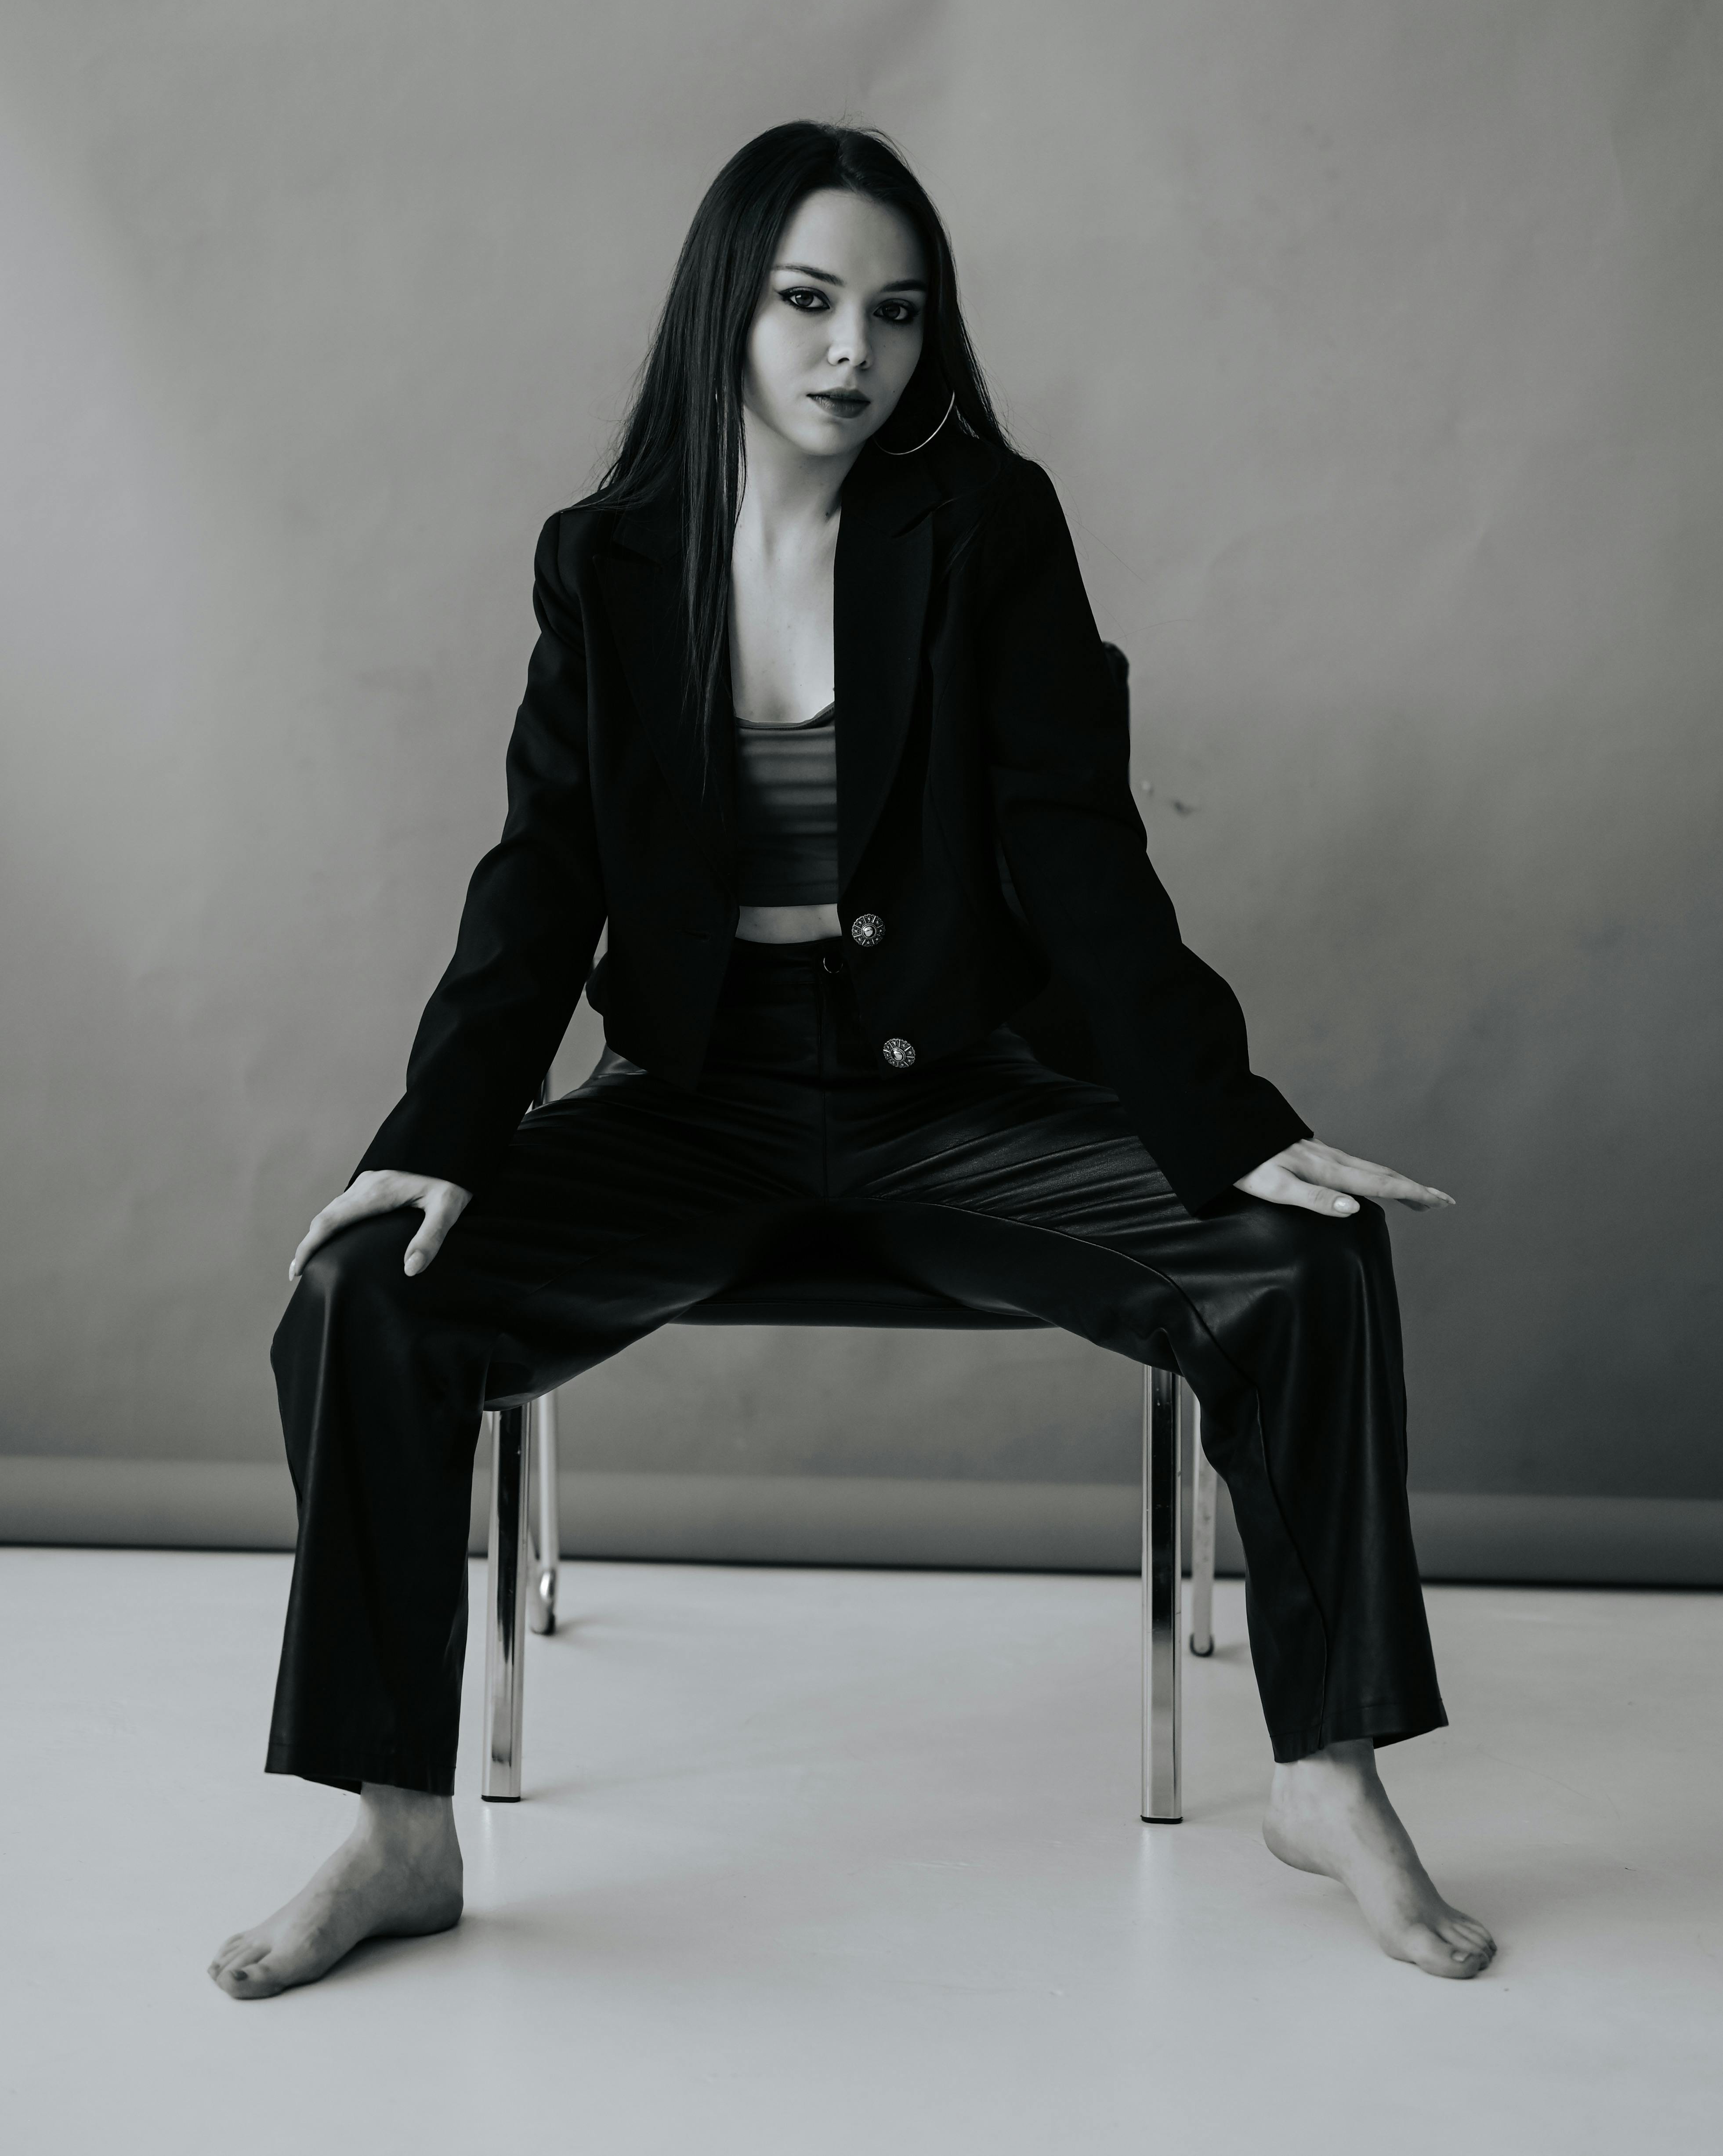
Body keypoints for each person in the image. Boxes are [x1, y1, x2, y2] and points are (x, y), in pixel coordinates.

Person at [210, 123, 1495, 1999]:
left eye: (894, 313)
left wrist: (1231, 1125)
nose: (850, 352)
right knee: (360, 1294)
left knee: (1307, 1255)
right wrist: (440, 1133)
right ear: (732, 307)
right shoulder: (609, 558)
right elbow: (545, 865)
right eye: (809, 302)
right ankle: (401, 1831)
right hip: (700, 1100)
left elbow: (1076, 844)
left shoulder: (984, 524)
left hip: (949, 1093)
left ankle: (1327, 1775)